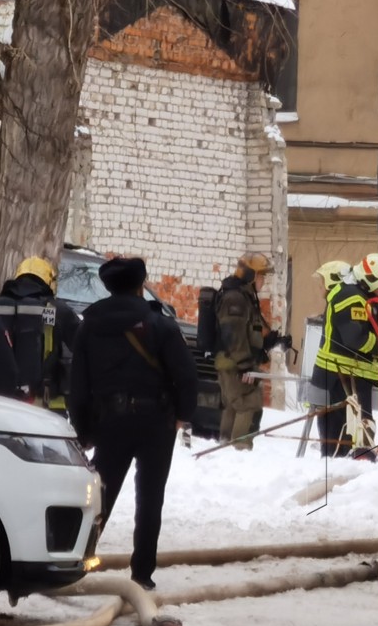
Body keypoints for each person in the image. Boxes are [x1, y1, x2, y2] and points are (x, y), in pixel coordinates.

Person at [69, 256, 197, 591]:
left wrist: (84, 430)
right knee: (150, 496)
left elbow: (78, 385)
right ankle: (142, 574)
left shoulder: (90, 324)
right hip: (156, 421)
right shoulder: (159, 323)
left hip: (110, 422)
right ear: (141, 285)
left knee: (101, 495)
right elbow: (185, 373)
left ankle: (79, 559)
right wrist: (183, 414)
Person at [309, 251, 378, 458]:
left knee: (359, 434)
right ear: (371, 279)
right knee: (340, 443)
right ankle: (339, 478)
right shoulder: (350, 298)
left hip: (353, 378)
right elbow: (355, 339)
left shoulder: (362, 297)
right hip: (340, 379)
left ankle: (356, 470)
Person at [213, 253, 287, 451]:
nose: (263, 281)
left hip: (236, 362)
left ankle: (225, 449)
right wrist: (245, 366)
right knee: (248, 404)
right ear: (250, 275)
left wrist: (271, 341)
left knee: (234, 405)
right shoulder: (235, 299)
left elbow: (249, 333)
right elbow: (233, 336)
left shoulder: (244, 297)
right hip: (235, 364)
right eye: (261, 276)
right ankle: (239, 449)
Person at [0, 256, 81, 411]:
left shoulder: (0, 306)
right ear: (48, 281)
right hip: (45, 407)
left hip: (2, 405)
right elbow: (82, 347)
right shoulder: (59, 310)